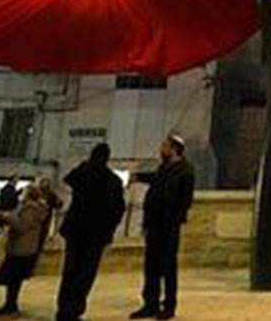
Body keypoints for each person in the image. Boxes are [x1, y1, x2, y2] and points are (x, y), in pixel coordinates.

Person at [56, 143, 125, 321]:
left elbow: (68, 179)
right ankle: (75, 309)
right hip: (96, 234)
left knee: (70, 270)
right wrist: (109, 229)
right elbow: (119, 209)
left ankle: (63, 309)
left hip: (76, 230)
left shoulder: (83, 173)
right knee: (86, 273)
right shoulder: (112, 180)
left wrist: (84, 165)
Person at [129, 135, 195, 321]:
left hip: (168, 227)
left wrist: (173, 219)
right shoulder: (164, 167)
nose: (161, 149)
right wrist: (137, 177)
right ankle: (150, 303)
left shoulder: (185, 171)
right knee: (151, 266)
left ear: (173, 149)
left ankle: (169, 305)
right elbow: (155, 179)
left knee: (168, 267)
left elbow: (185, 200)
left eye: (164, 146)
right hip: (154, 225)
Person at [0, 185, 51, 315]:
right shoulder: (37, 208)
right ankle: (10, 304)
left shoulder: (30, 208)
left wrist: (8, 218)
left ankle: (10, 305)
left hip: (20, 247)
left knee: (13, 279)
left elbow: (22, 226)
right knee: (15, 279)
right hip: (27, 247)